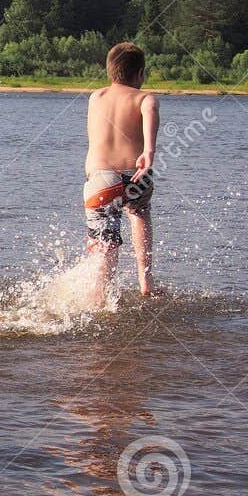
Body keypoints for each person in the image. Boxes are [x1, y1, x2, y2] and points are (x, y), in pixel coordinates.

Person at [83, 42, 158, 304]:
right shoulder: (145, 98)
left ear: (109, 71)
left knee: (105, 241)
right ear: (140, 73)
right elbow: (149, 112)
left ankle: (99, 296)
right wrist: (148, 151)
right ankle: (145, 279)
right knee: (139, 213)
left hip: (101, 180)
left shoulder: (96, 97)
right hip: (135, 176)